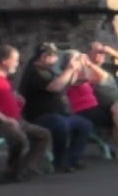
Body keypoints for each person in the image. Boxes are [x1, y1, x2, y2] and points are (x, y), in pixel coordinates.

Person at [0, 44, 51, 183]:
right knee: (19, 139)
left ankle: (28, 169)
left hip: (15, 121)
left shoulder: (3, 77)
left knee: (43, 135)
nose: (17, 63)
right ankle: (12, 171)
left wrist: (16, 98)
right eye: (15, 60)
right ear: (5, 61)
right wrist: (5, 119)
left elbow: (2, 97)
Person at [18, 42, 95, 172]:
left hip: (58, 114)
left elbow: (70, 82)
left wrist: (78, 67)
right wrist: (69, 69)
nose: (56, 59)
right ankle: (59, 162)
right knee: (60, 125)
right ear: (43, 57)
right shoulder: (35, 71)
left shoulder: (48, 70)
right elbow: (55, 87)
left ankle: (71, 160)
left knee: (84, 125)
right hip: (40, 116)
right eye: (53, 56)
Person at [62, 51, 118, 162]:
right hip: (82, 111)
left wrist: (89, 64)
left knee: (117, 106)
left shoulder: (84, 72)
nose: (80, 61)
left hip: (94, 109)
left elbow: (104, 76)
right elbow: (76, 81)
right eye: (77, 59)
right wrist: (79, 66)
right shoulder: (67, 74)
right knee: (117, 119)